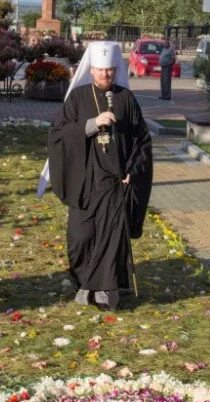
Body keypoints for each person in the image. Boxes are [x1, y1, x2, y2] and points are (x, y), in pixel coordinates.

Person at [39, 41, 153, 310]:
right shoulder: (78, 98)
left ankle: (107, 291)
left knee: (110, 238)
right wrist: (92, 124)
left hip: (115, 185)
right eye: (101, 71)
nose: (105, 76)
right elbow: (58, 134)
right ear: (91, 71)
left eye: (110, 71)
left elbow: (142, 140)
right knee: (81, 237)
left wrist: (133, 171)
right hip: (85, 182)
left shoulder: (126, 99)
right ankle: (83, 284)